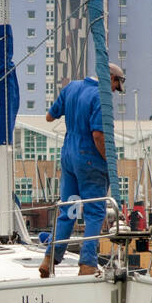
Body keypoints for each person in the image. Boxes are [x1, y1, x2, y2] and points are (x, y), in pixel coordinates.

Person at [38, 62, 125, 278]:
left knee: (69, 210)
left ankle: (49, 259)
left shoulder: (71, 88)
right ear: (111, 78)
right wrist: (110, 162)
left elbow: (50, 116)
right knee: (95, 212)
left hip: (68, 155)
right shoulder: (101, 98)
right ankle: (87, 264)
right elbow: (98, 136)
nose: (114, 91)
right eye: (116, 85)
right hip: (89, 159)